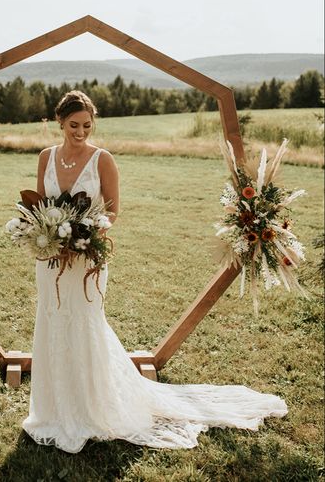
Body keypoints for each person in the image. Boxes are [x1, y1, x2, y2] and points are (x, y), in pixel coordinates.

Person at [22, 90, 287, 453]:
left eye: (86, 125)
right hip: (51, 261)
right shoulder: (45, 158)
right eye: (73, 126)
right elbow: (39, 205)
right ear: (59, 122)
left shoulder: (103, 160)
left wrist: (86, 233)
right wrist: (45, 234)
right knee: (52, 319)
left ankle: (91, 406)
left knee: (84, 322)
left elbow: (113, 211)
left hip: (87, 260)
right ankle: (54, 407)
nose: (80, 131)